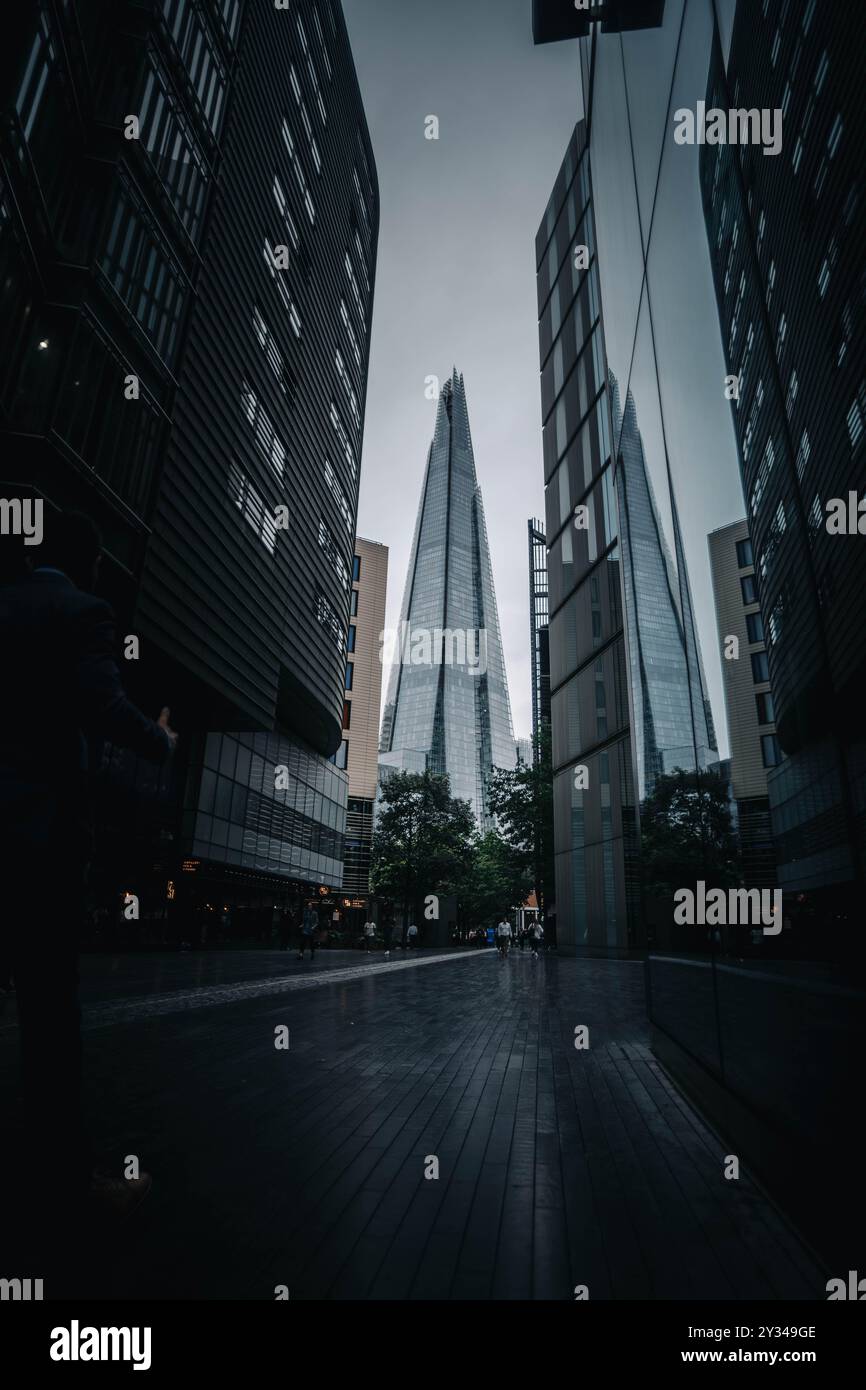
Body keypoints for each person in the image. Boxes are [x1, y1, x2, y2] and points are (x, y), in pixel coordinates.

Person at [0, 510, 176, 1223]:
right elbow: (101, 704)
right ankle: (67, 1178)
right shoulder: (82, 611)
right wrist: (159, 741)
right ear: (91, 566)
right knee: (48, 1007)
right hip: (36, 838)